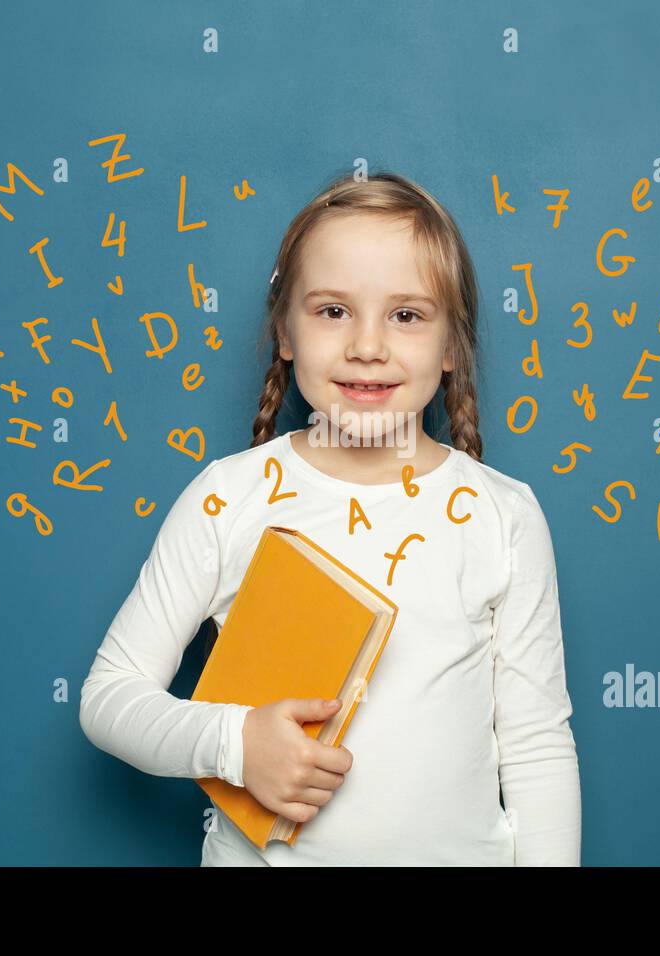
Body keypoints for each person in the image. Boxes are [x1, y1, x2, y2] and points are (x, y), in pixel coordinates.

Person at [79, 171, 581, 866]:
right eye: (332, 311)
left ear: (451, 350)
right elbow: (109, 699)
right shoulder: (229, 499)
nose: (367, 345)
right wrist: (236, 744)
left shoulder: (503, 516)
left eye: (406, 315)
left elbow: (536, 744)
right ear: (285, 332)